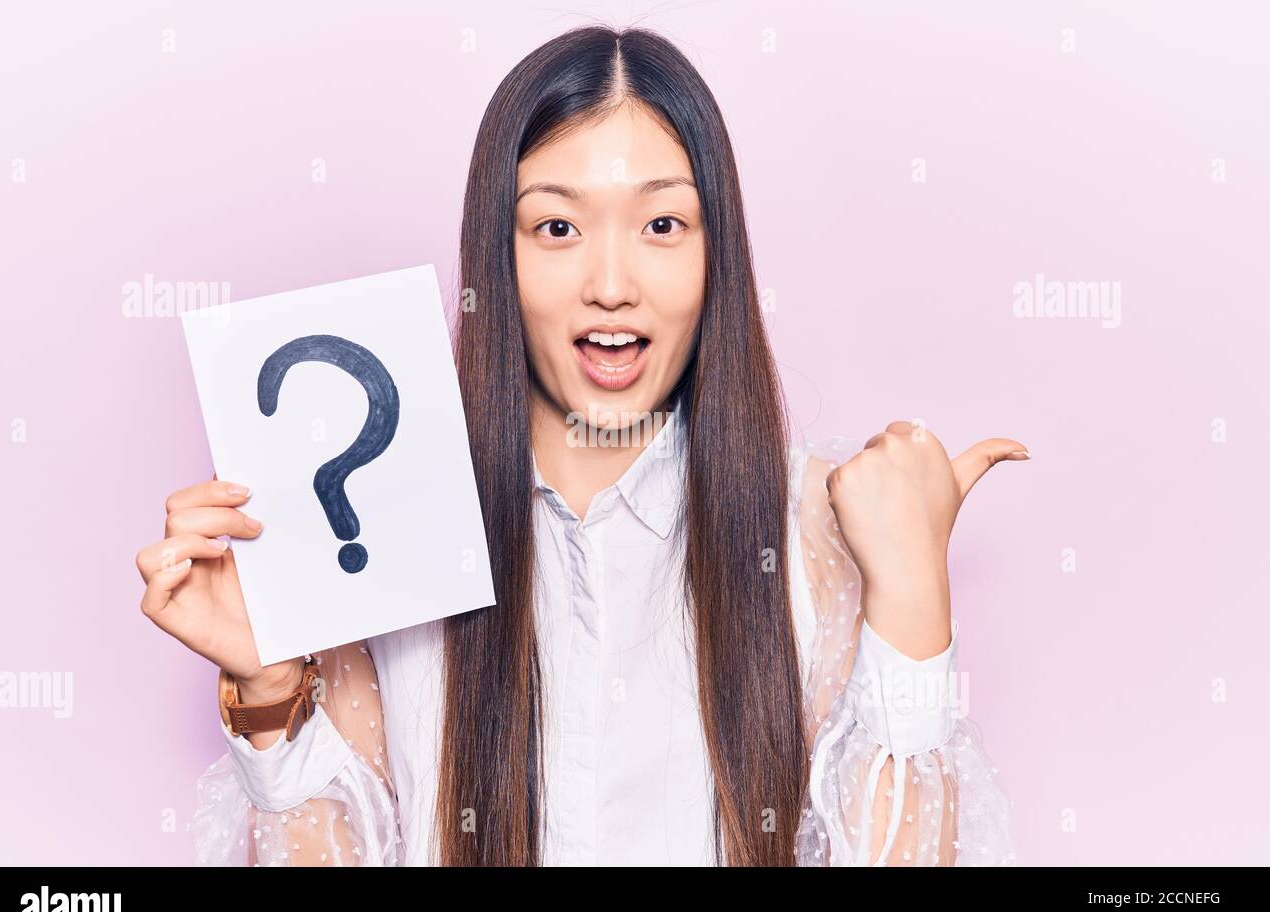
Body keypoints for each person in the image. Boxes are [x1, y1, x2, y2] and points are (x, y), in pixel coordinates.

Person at [136, 25, 1026, 866]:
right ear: (500, 254)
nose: (611, 285)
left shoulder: (814, 526)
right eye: (557, 228)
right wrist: (267, 690)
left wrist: (911, 592)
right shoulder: (381, 529)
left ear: (718, 254)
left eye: (662, 225)